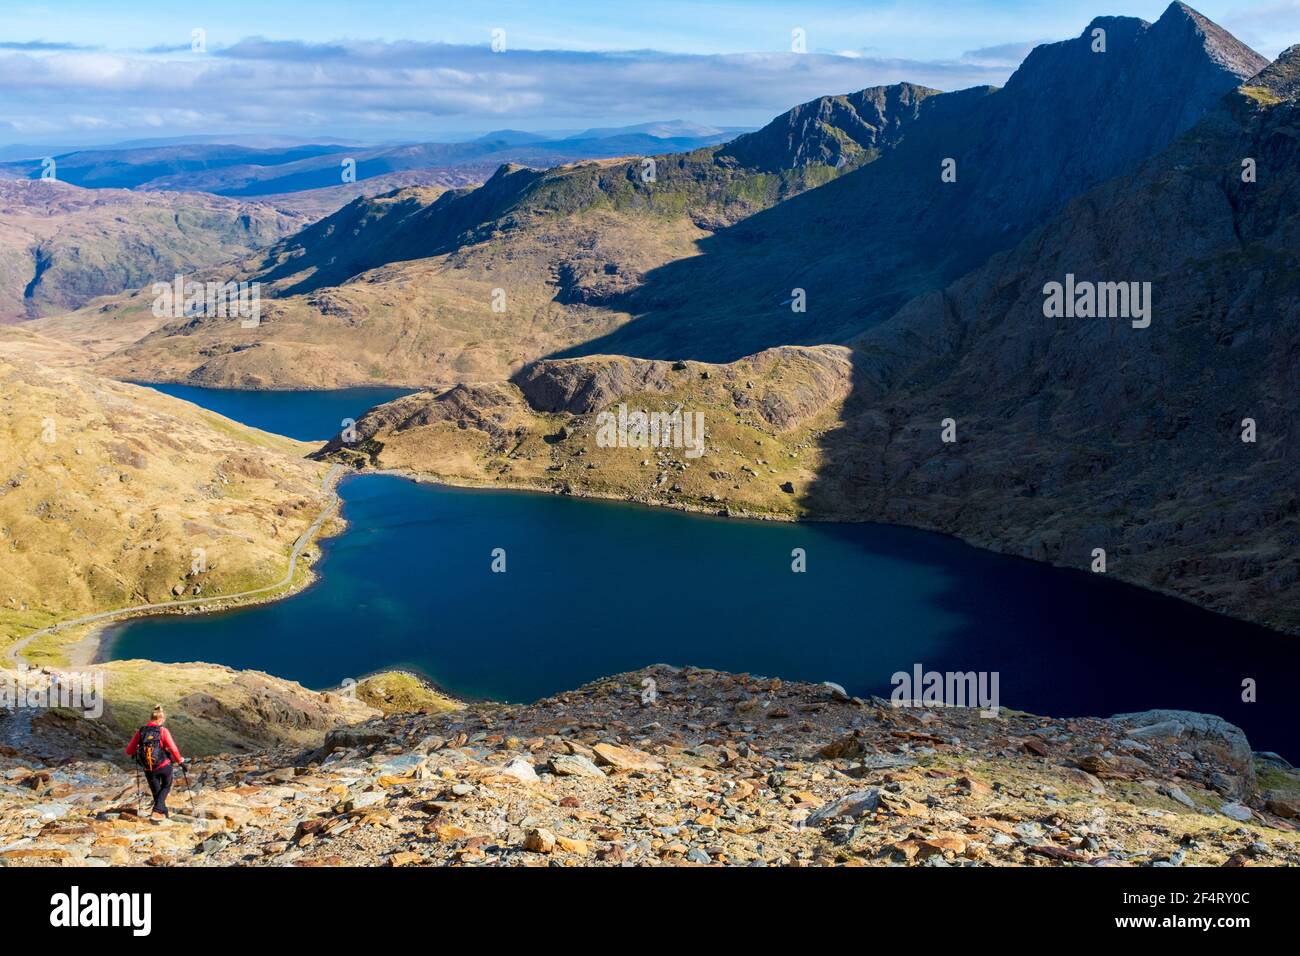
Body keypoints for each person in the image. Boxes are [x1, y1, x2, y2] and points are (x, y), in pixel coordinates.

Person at [126, 704, 185, 822]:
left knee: (157, 792)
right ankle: (157, 810)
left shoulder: (141, 731)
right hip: (164, 766)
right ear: (161, 719)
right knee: (166, 786)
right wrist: (180, 761)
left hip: (148, 768)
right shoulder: (163, 731)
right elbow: (173, 748)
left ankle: (164, 813)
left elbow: (129, 751)